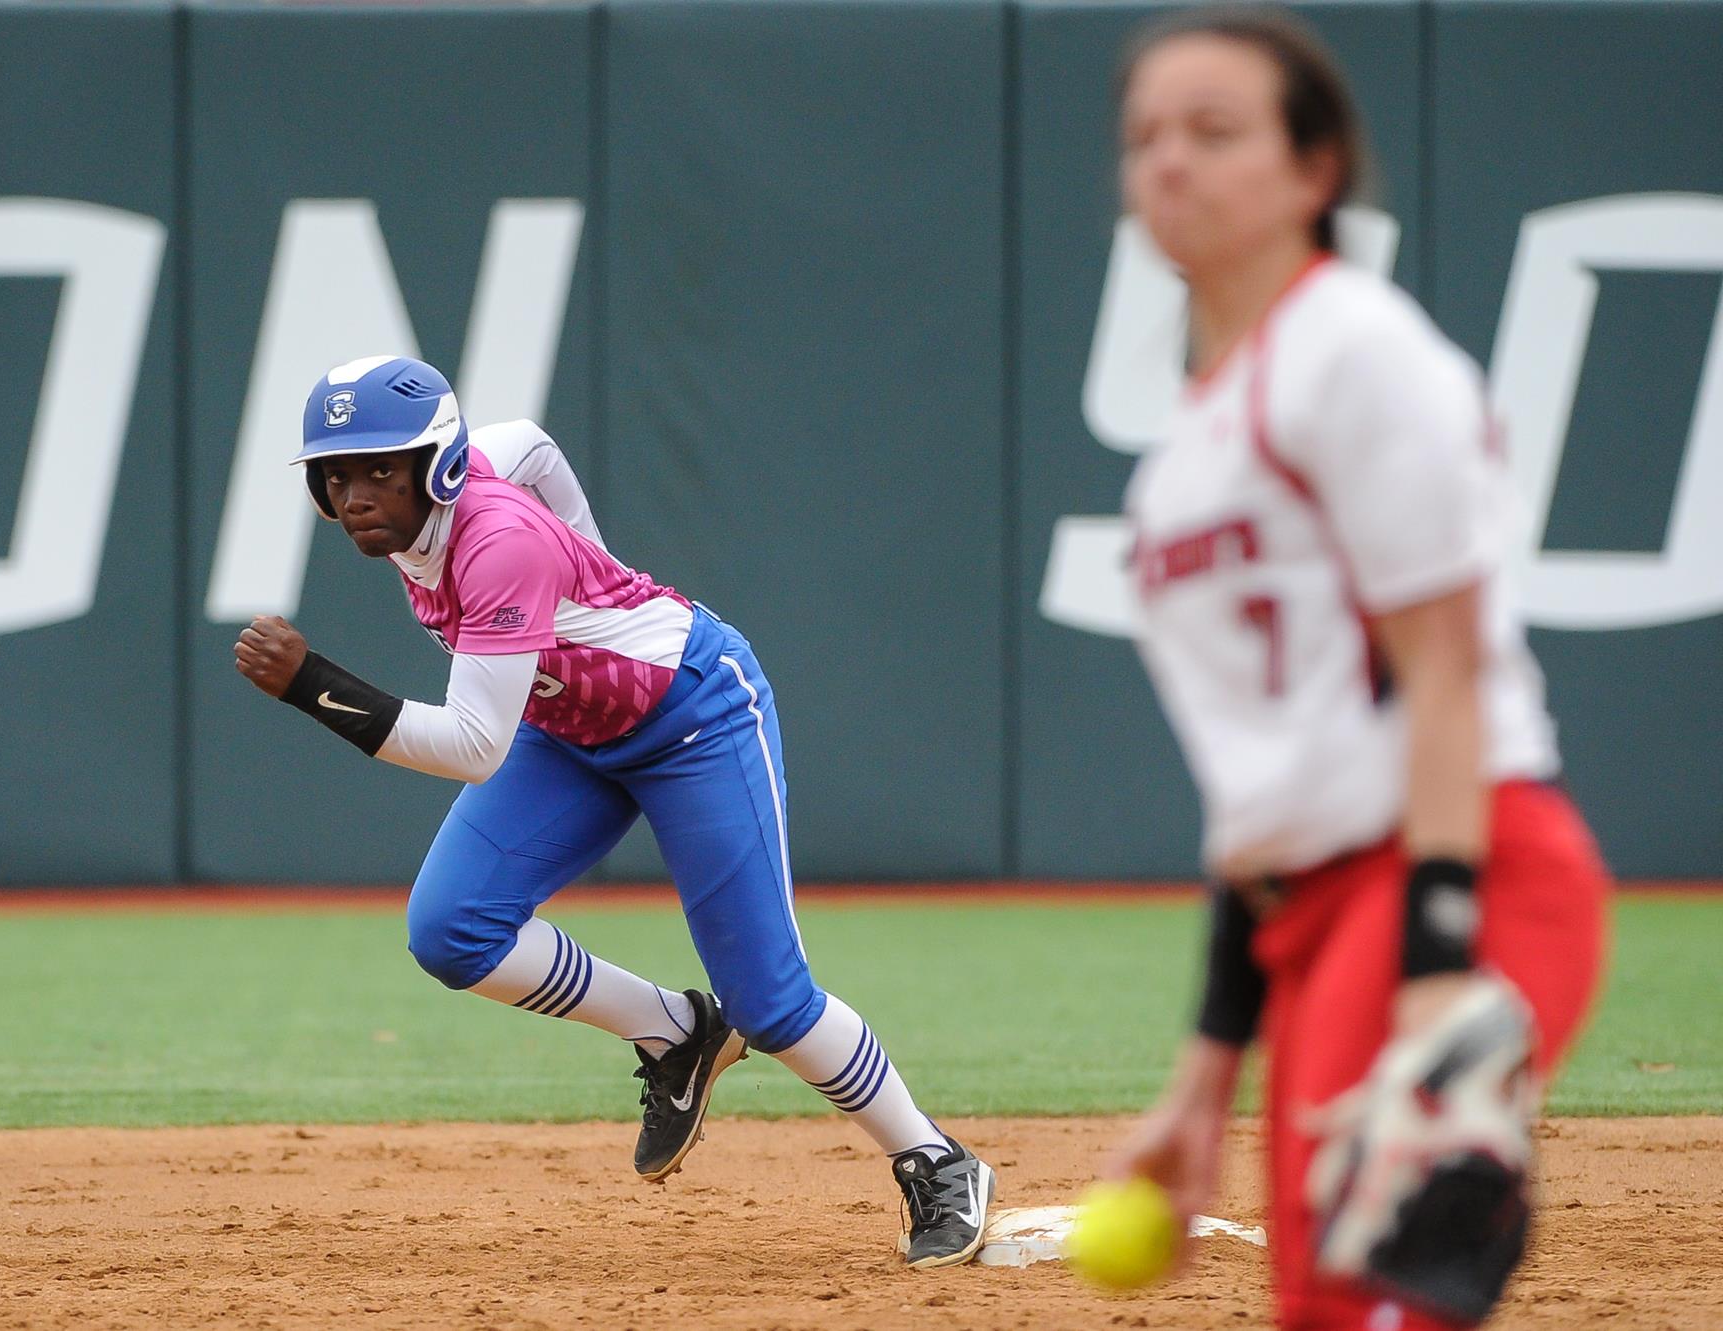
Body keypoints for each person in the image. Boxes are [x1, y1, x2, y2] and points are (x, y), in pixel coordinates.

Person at [233, 354, 995, 1267]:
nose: (356, 493)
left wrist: (315, 687)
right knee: (450, 929)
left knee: (772, 1000)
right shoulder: (449, 495)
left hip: (692, 718)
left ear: (435, 463)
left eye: (380, 468)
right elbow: (535, 446)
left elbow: (475, 748)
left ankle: (935, 1156)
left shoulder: (494, 541)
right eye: (338, 473)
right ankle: (677, 1029)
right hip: (569, 729)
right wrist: (596, 561)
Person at [1100, 8, 1609, 1329]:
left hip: (1457, 867)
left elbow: (1445, 667)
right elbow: (1260, 792)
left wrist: (1442, 961)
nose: (1171, 164)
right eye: (1145, 136)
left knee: (1374, 1303)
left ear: (1314, 170)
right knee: (1323, 1302)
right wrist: (1206, 1072)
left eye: (1216, 131)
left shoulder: (1355, 352)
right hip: (1309, 915)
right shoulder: (1189, 449)